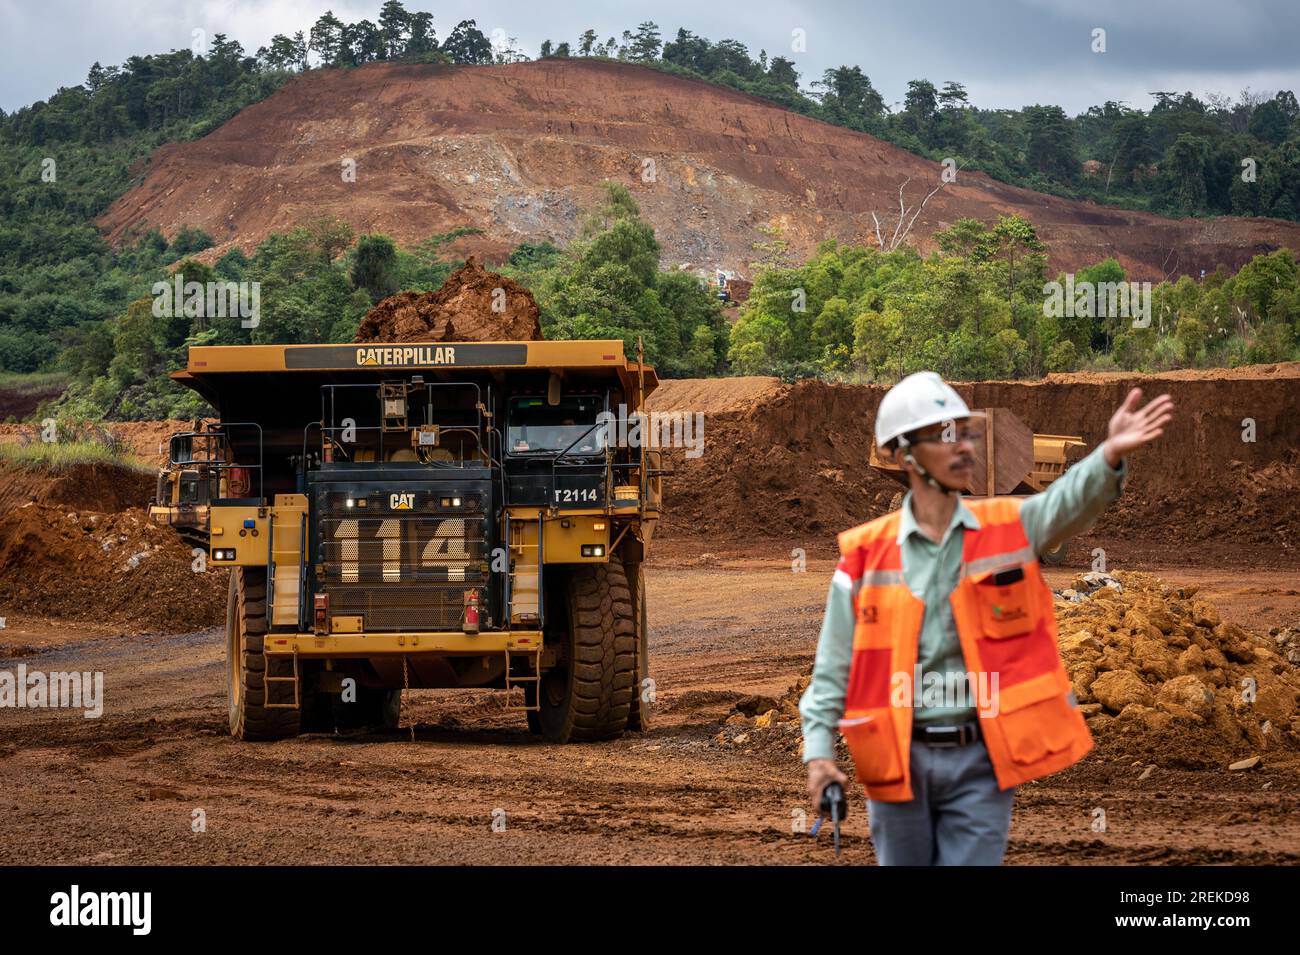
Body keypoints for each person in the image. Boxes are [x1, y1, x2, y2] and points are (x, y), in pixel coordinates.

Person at [799, 371, 1174, 865]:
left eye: (967, 432)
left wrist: (1109, 455)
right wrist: (820, 756)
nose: (966, 447)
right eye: (946, 435)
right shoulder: (864, 557)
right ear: (906, 454)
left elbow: (1065, 505)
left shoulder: (1006, 527)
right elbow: (831, 673)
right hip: (896, 760)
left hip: (980, 761)